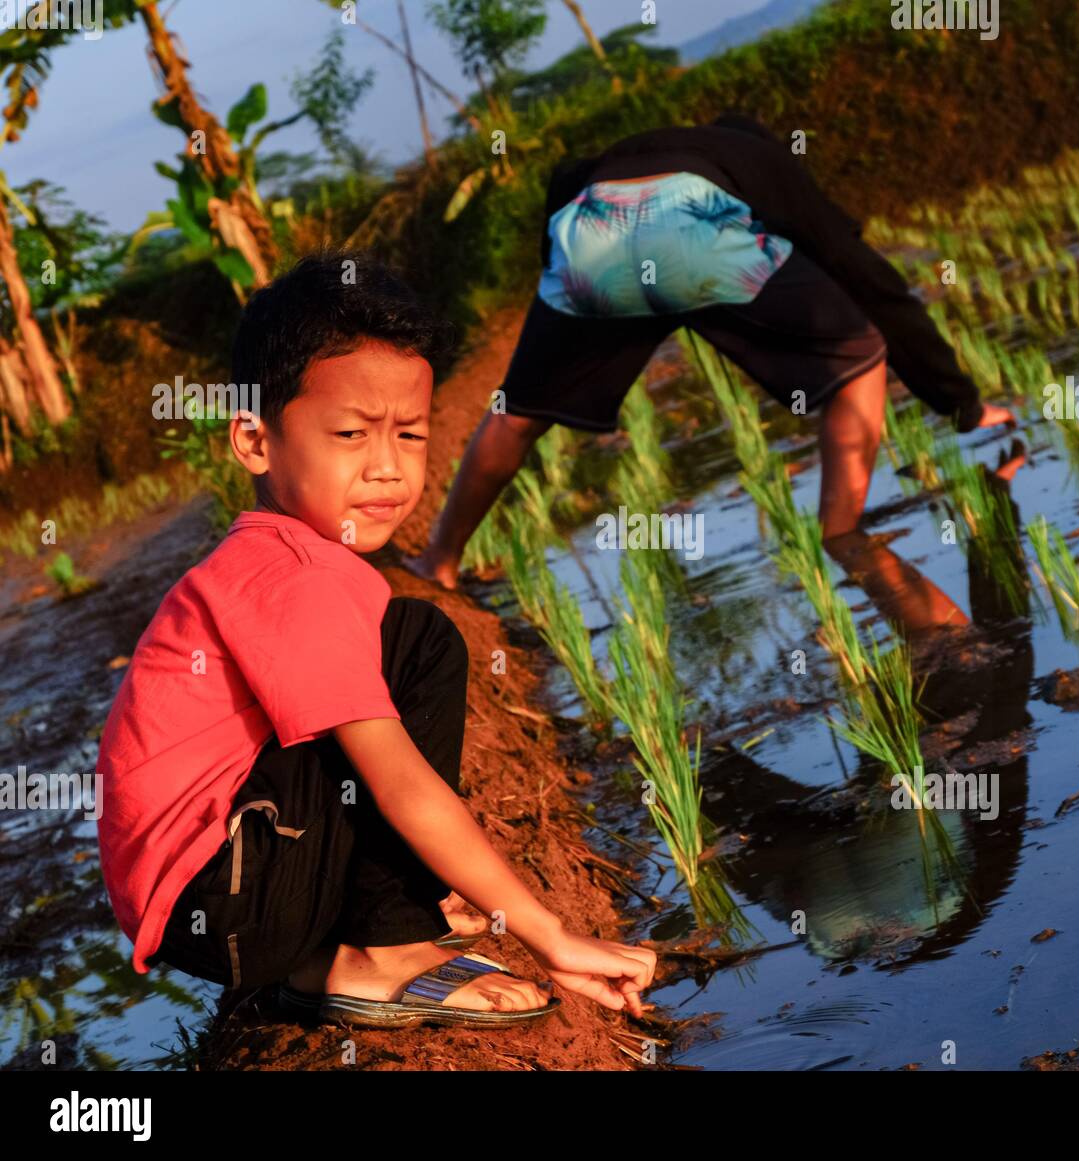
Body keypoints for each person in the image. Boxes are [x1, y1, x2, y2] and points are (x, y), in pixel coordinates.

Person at [94, 253, 656, 1030]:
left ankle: (331, 951)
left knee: (408, 633)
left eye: (411, 435)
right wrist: (548, 935)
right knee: (413, 652)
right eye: (351, 433)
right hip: (228, 900)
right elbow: (395, 780)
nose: (388, 467)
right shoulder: (295, 575)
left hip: (220, 895)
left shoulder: (276, 555)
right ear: (256, 442)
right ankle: (385, 951)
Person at [405, 113, 1014, 590]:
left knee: (516, 413)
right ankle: (842, 530)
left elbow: (560, 228)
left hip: (590, 232)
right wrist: (960, 404)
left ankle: (441, 560)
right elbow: (873, 283)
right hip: (695, 229)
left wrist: (572, 331)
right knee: (859, 352)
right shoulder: (761, 160)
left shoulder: (608, 160)